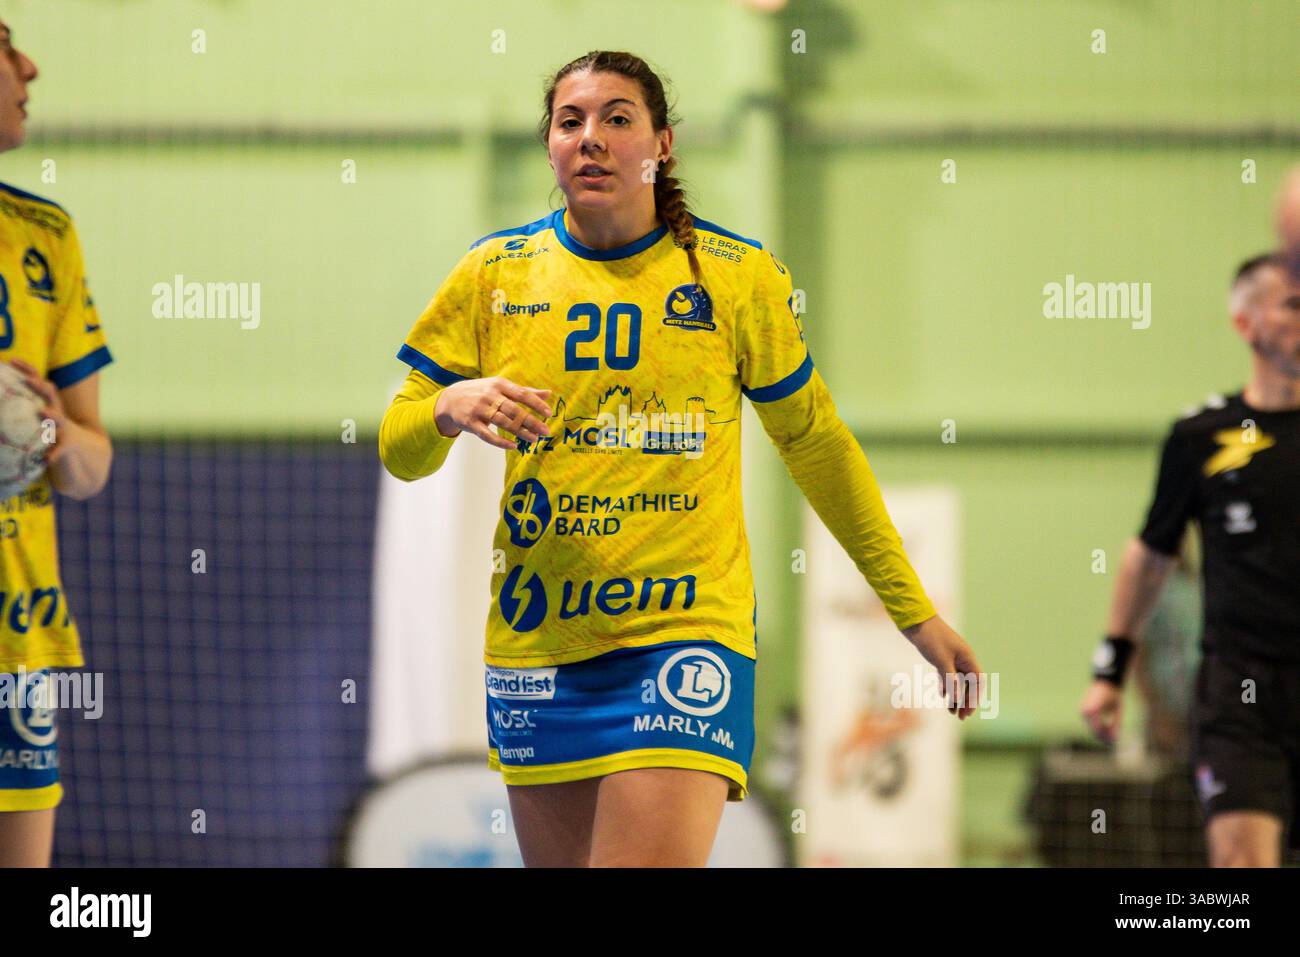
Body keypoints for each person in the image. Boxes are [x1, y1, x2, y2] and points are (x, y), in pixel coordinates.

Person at [379, 50, 981, 867]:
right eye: (571, 121)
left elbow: (818, 445)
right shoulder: (495, 274)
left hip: (683, 638)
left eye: (617, 119)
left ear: (662, 143)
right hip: (538, 640)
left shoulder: (735, 277)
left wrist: (912, 610)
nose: (592, 137)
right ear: (550, 145)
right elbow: (400, 448)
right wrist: (447, 407)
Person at [1080, 252, 1300, 867]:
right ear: (1246, 322)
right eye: (1293, 304)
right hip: (1240, 696)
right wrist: (1109, 671)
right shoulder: (1202, 435)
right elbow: (1150, 557)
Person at [0, 17, 114, 867]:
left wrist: (44, 430)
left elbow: (90, 465)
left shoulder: (45, 235)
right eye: (3, 43)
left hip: (20, 632)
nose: (28, 65)